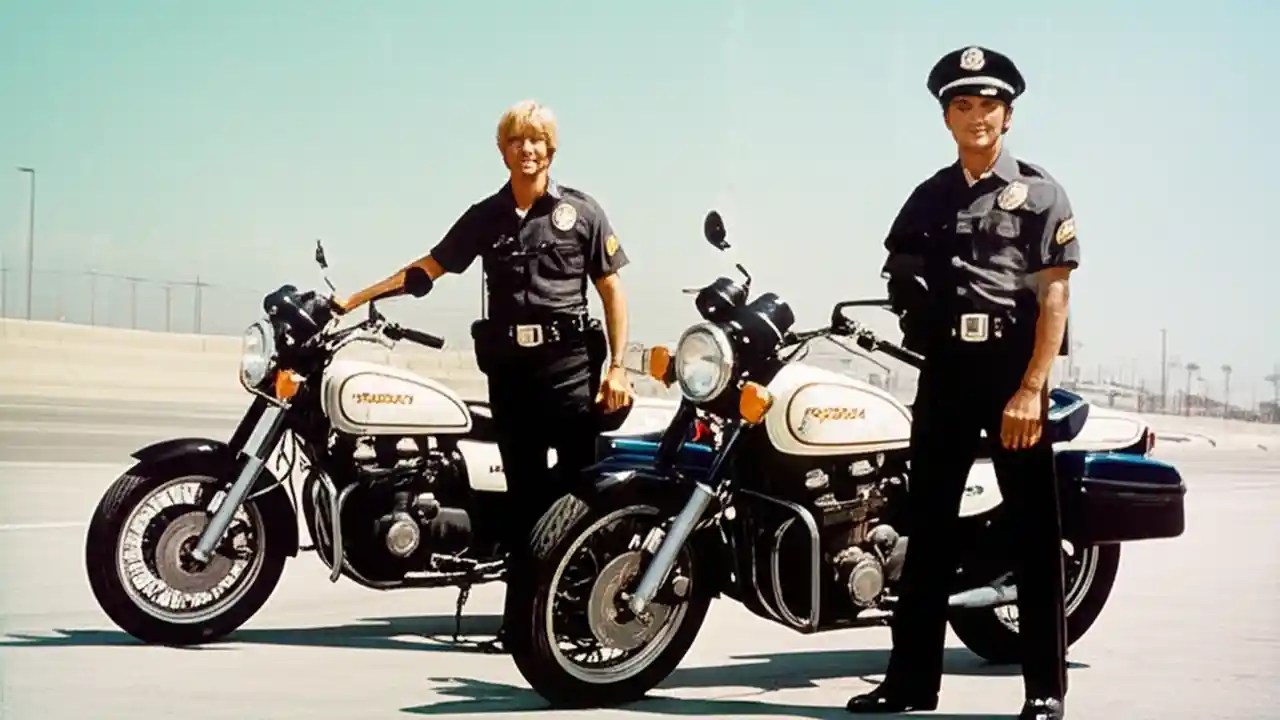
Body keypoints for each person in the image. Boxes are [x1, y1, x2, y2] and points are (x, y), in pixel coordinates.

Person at [334, 99, 636, 651]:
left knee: (579, 495)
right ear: (502, 152)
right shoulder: (485, 216)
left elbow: (611, 289)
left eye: (538, 140)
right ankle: (519, 624)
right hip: (513, 377)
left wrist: (617, 367)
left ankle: (580, 615)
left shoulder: (582, 212)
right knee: (523, 499)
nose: (528, 150)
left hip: (570, 370)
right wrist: (356, 298)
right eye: (517, 141)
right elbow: (430, 267)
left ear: (552, 149)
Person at [844, 46, 1078, 720]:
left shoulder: (1040, 194)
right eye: (963, 105)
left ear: (1008, 115)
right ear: (947, 116)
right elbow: (902, 274)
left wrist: (1031, 390)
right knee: (928, 533)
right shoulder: (930, 197)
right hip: (946, 374)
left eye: (989, 106)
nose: (977, 117)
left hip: (1012, 374)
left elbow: (1054, 301)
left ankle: (1044, 691)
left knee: (1035, 535)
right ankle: (910, 684)